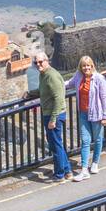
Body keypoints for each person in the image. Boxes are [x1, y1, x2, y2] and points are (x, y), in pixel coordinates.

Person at [65, 56, 106, 180]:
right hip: (83, 113)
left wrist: (105, 116)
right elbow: (69, 84)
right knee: (85, 141)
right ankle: (84, 169)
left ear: (92, 65)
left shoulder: (99, 78)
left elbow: (104, 98)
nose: (86, 68)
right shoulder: (79, 76)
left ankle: (95, 162)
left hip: (96, 114)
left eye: (88, 65)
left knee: (98, 139)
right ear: (81, 67)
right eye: (84, 65)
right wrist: (56, 84)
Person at [35, 52, 72, 183]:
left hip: (53, 115)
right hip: (51, 114)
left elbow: (58, 98)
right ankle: (67, 171)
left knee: (55, 146)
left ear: (47, 61)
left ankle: (59, 174)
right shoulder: (43, 75)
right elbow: (42, 91)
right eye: (36, 63)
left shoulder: (51, 76)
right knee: (57, 144)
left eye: (40, 62)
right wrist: (30, 93)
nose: (38, 64)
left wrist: (53, 119)